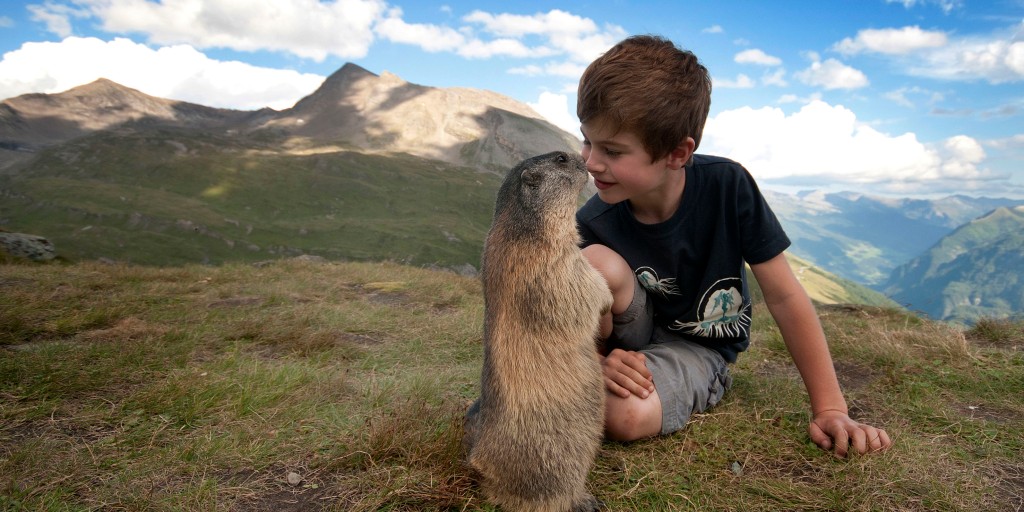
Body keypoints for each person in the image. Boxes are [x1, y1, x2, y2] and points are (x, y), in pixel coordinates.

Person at [575, 34, 891, 457]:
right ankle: (587, 374)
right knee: (591, 263)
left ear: (677, 153)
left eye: (612, 150)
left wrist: (831, 407)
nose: (591, 162)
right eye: (587, 141)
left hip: (699, 347)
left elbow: (783, 295)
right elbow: (566, 310)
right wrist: (594, 362)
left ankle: (689, 383)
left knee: (623, 417)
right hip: (622, 343)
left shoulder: (728, 186)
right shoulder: (593, 219)